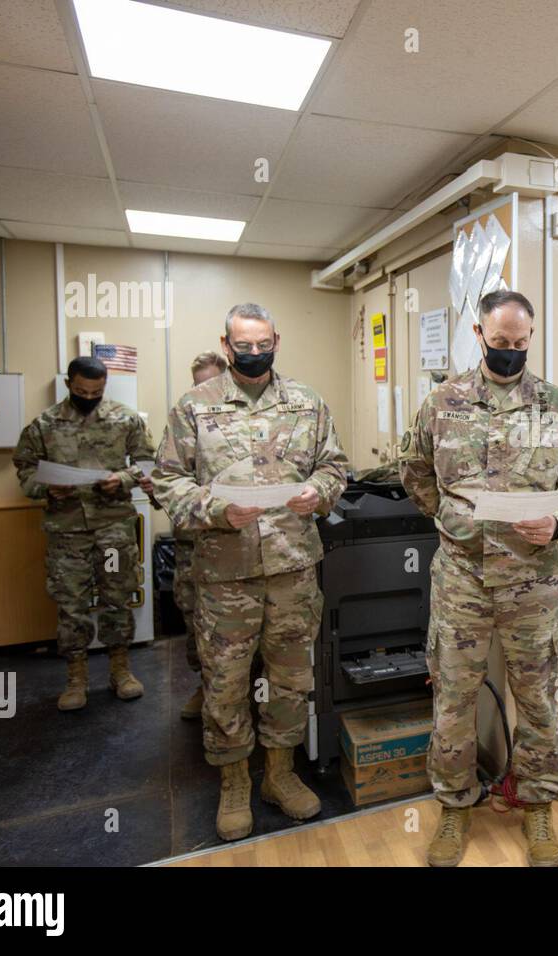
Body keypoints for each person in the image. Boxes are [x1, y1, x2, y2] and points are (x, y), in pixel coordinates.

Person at [399, 289, 558, 867]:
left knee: (537, 700)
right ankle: (455, 807)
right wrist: (449, 516)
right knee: (454, 700)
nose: (510, 351)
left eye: (520, 342)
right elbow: (413, 471)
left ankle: (537, 803)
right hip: (461, 578)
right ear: (479, 334)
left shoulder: (557, 406)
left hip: (533, 583)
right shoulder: (442, 402)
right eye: (500, 341)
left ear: (530, 338)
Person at [153, 303, 349, 841]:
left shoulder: (307, 403)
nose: (255, 353)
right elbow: (168, 482)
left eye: (264, 344)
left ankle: (279, 777)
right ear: (226, 343)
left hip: (292, 568)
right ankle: (235, 781)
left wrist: (322, 490)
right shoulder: (195, 406)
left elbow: (335, 464)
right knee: (226, 684)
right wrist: (216, 510)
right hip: (224, 571)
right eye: (245, 345)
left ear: (276, 340)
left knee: (289, 679)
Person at [13, 355, 156, 711]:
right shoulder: (44, 425)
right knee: (71, 604)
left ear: (104, 386)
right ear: (68, 385)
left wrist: (121, 479)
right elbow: (25, 469)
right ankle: (76, 678)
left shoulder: (126, 419)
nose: (88, 396)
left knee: (116, 595)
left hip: (113, 529)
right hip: (68, 532)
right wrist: (46, 489)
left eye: (96, 391)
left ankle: (120, 670)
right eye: (81, 391)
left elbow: (148, 463)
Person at [169, 350, 229, 720]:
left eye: (209, 383)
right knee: (195, 618)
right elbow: (168, 475)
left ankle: (248, 693)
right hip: (193, 541)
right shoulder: (185, 417)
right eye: (197, 385)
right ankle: (203, 688)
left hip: (235, 542)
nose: (202, 391)